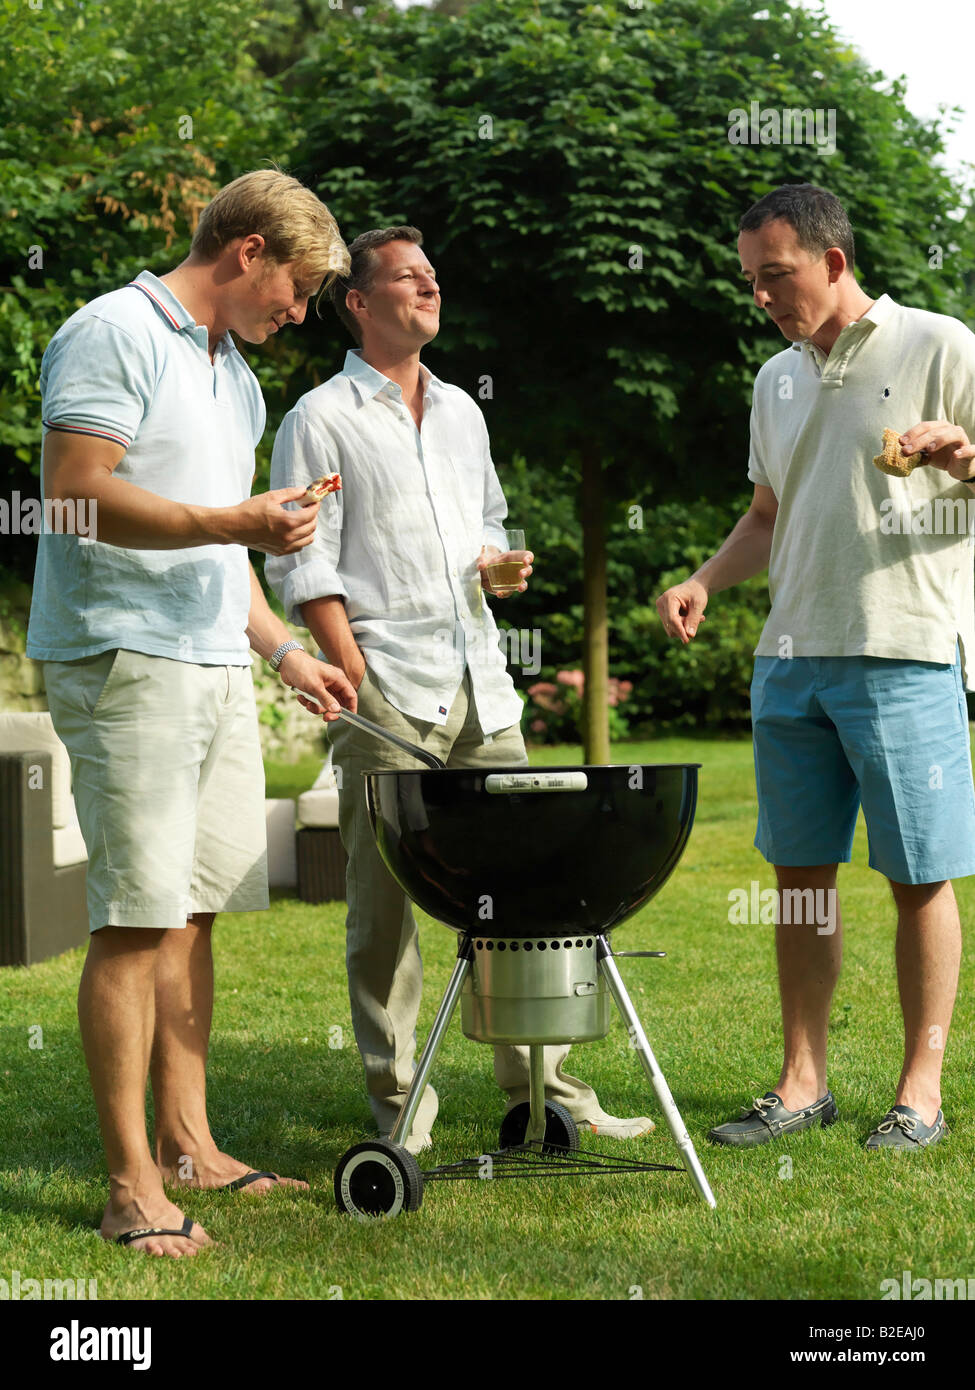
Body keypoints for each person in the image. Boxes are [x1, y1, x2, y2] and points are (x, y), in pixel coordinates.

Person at [26, 170, 357, 1256]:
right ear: (248, 250)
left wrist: (284, 650)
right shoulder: (112, 331)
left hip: (215, 662)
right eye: (298, 289)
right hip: (127, 658)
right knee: (133, 917)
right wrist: (231, 518)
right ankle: (130, 1188)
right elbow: (74, 490)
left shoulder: (233, 377)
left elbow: (231, 547)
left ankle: (190, 1145)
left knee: (194, 909)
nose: (298, 314)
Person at [266, 225, 652, 1151]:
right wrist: (346, 667)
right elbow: (301, 561)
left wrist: (496, 568)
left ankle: (540, 1090)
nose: (429, 287)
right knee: (386, 901)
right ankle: (399, 1103)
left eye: (433, 275)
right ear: (358, 303)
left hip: (482, 681)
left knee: (523, 888)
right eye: (407, 277)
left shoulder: (464, 412)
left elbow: (483, 525)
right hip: (384, 688)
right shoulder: (317, 418)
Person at [656, 183, 975, 1152]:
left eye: (776, 275)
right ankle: (803, 1082)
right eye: (751, 280)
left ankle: (919, 1091)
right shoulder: (775, 380)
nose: (761, 296)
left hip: (906, 648)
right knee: (802, 879)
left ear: (834, 261)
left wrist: (958, 453)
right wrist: (707, 578)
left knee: (919, 874)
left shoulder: (941, 345)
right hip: (789, 660)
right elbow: (768, 514)